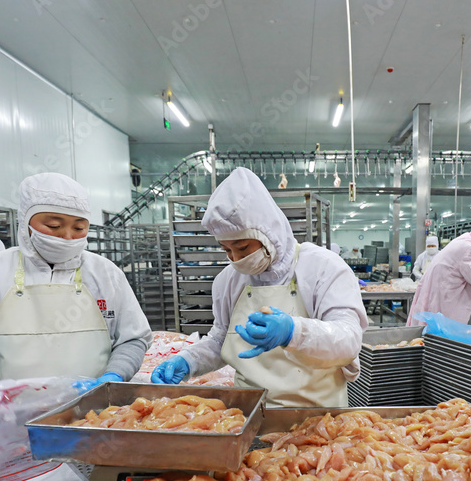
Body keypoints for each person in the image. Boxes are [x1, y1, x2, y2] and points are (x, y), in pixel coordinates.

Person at [0, 173, 152, 414]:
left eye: (79, 227)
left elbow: (132, 338)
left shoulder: (105, 273)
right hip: (7, 419)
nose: (67, 236)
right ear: (25, 221)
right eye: (54, 226)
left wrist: (113, 376)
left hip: (95, 416)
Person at [152, 168, 367, 408]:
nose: (235, 258)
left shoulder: (322, 267)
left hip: (318, 417)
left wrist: (293, 332)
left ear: (267, 233)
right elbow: (221, 339)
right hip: (249, 415)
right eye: (227, 250)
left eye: (242, 248)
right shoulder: (228, 281)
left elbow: (348, 339)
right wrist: (189, 360)